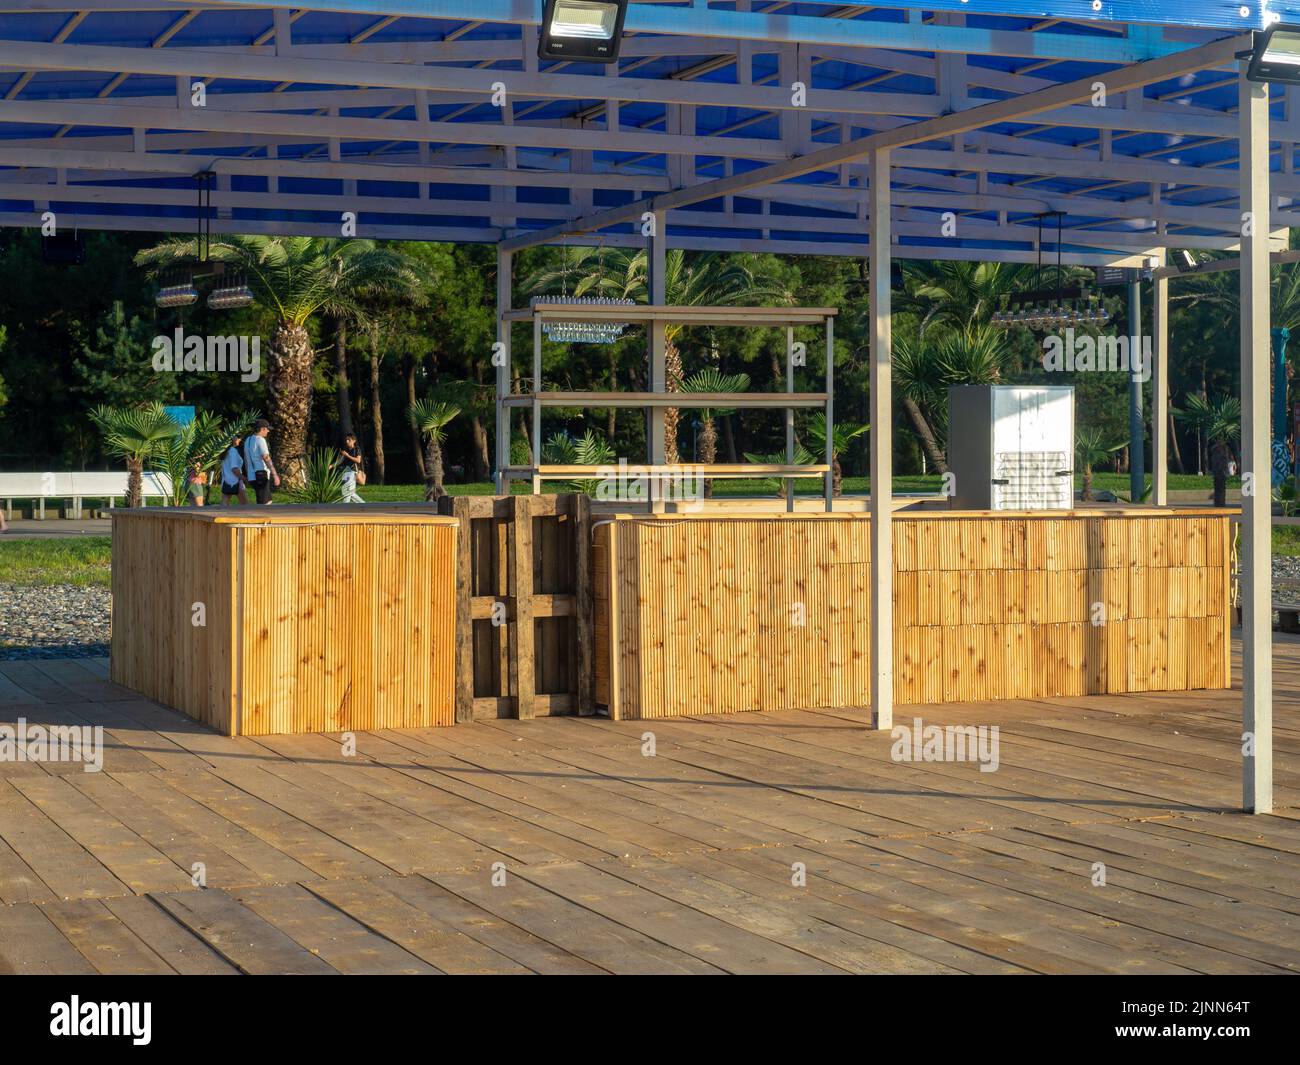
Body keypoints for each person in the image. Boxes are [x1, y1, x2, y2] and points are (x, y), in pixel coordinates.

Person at [244, 419, 280, 505]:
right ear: (262, 429)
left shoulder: (247, 440)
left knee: (267, 501)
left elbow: (245, 459)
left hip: (252, 476)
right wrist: (275, 474)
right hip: (261, 475)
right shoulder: (260, 440)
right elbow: (266, 457)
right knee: (264, 504)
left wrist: (248, 473)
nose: (268, 431)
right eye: (267, 429)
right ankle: (261, 518)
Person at [220, 434, 248, 504]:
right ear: (232, 439)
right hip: (236, 482)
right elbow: (234, 468)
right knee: (246, 505)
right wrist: (244, 478)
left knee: (224, 504)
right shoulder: (232, 451)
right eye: (238, 437)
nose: (240, 440)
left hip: (225, 481)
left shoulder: (225, 452)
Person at [339, 433, 364, 504]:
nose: (347, 441)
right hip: (346, 473)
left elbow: (358, 460)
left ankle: (344, 508)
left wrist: (347, 455)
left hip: (353, 472)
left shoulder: (356, 449)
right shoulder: (346, 450)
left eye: (349, 440)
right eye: (346, 439)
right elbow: (340, 461)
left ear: (354, 441)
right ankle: (364, 505)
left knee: (347, 492)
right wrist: (331, 466)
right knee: (350, 492)